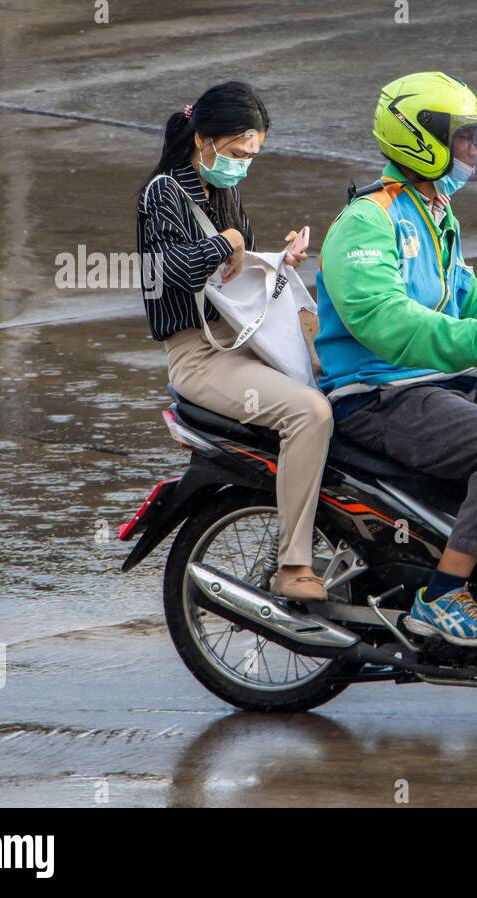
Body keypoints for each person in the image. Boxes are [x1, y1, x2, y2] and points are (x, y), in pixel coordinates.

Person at [315, 71, 477, 647]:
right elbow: (386, 321)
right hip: (380, 395)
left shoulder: (435, 212)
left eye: (474, 139)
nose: (473, 152)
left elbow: (468, 301)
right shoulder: (367, 221)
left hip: (444, 384)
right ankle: (439, 597)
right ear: (420, 140)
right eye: (462, 139)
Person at [137, 81, 331, 602]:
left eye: (251, 157)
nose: (242, 165)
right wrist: (229, 240)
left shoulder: (222, 190)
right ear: (203, 139)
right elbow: (171, 271)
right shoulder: (163, 194)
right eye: (237, 153)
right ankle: (293, 565)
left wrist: (282, 261)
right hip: (200, 356)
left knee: (347, 384)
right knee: (310, 412)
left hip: (247, 339)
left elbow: (236, 279)